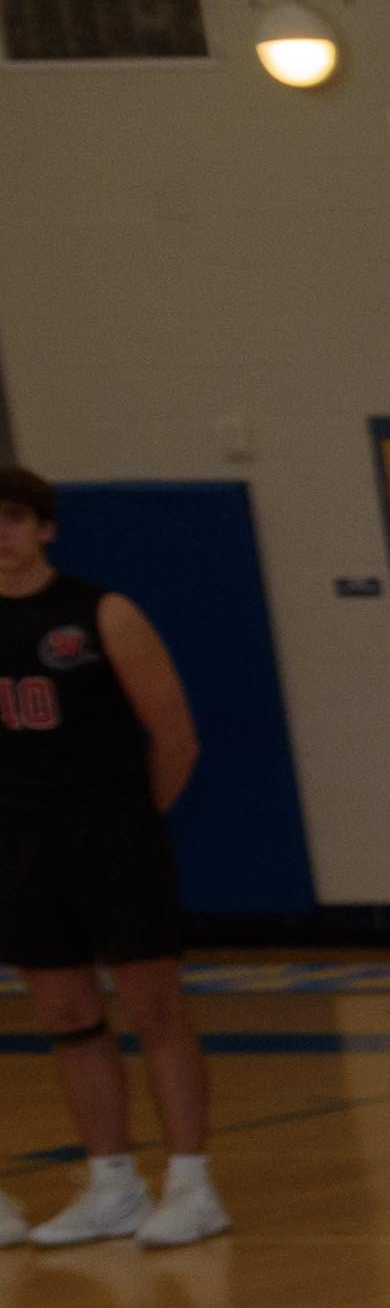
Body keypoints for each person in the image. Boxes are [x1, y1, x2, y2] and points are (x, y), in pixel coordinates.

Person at [0, 463, 221, 1250]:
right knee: (65, 1013)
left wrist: (132, 822)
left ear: (45, 528)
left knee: (154, 1007)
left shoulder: (102, 612)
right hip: (22, 842)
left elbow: (176, 736)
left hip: (113, 832)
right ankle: (112, 1181)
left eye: (14, 517)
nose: (2, 534)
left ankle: (192, 1183)